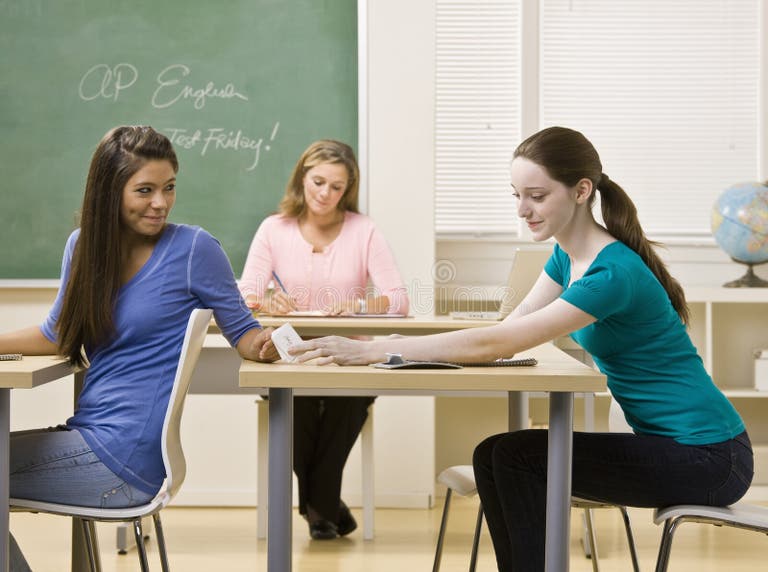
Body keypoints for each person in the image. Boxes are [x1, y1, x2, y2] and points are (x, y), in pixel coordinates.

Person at [290, 126, 753, 570]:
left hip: (711, 458)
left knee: (517, 456)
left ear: (581, 190)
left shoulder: (611, 274)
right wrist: (400, 347)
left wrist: (380, 349)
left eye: (537, 196)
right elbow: (510, 328)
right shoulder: (566, 257)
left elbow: (499, 342)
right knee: (493, 454)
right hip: (674, 447)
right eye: (517, 195)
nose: (522, 210)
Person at [0, 125, 278, 571]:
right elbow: (56, 335)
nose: (161, 203)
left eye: (169, 188)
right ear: (110, 192)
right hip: (88, 436)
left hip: (125, 460)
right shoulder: (84, 247)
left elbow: (244, 333)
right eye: (145, 190)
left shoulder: (193, 249)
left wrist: (265, 345)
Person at [239, 139, 409, 539]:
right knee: (291, 408)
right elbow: (244, 296)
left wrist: (357, 305)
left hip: (348, 355)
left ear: (348, 188)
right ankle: (327, 509)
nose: (325, 194)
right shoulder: (273, 229)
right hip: (288, 356)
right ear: (302, 177)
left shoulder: (363, 230)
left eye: (337, 186)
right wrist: (265, 302)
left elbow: (399, 300)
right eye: (318, 182)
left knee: (342, 406)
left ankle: (320, 510)